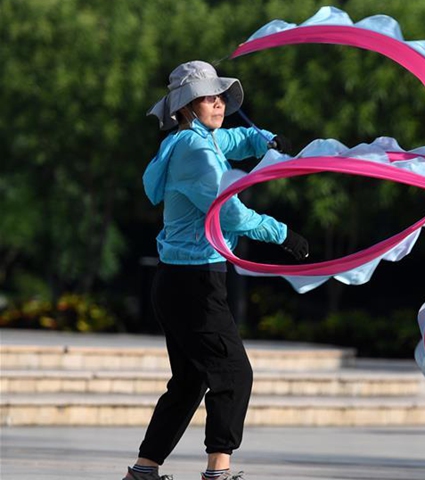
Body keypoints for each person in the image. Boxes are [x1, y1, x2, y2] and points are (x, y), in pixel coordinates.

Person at [123, 61, 308, 480]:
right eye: (209, 97)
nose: (219, 103)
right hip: (195, 284)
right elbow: (232, 215)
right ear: (187, 106)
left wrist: (262, 141)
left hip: (179, 282)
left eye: (220, 96)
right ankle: (217, 474)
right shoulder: (194, 150)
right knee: (234, 375)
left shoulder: (191, 139)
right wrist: (283, 235)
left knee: (189, 382)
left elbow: (232, 139)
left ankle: (143, 472)